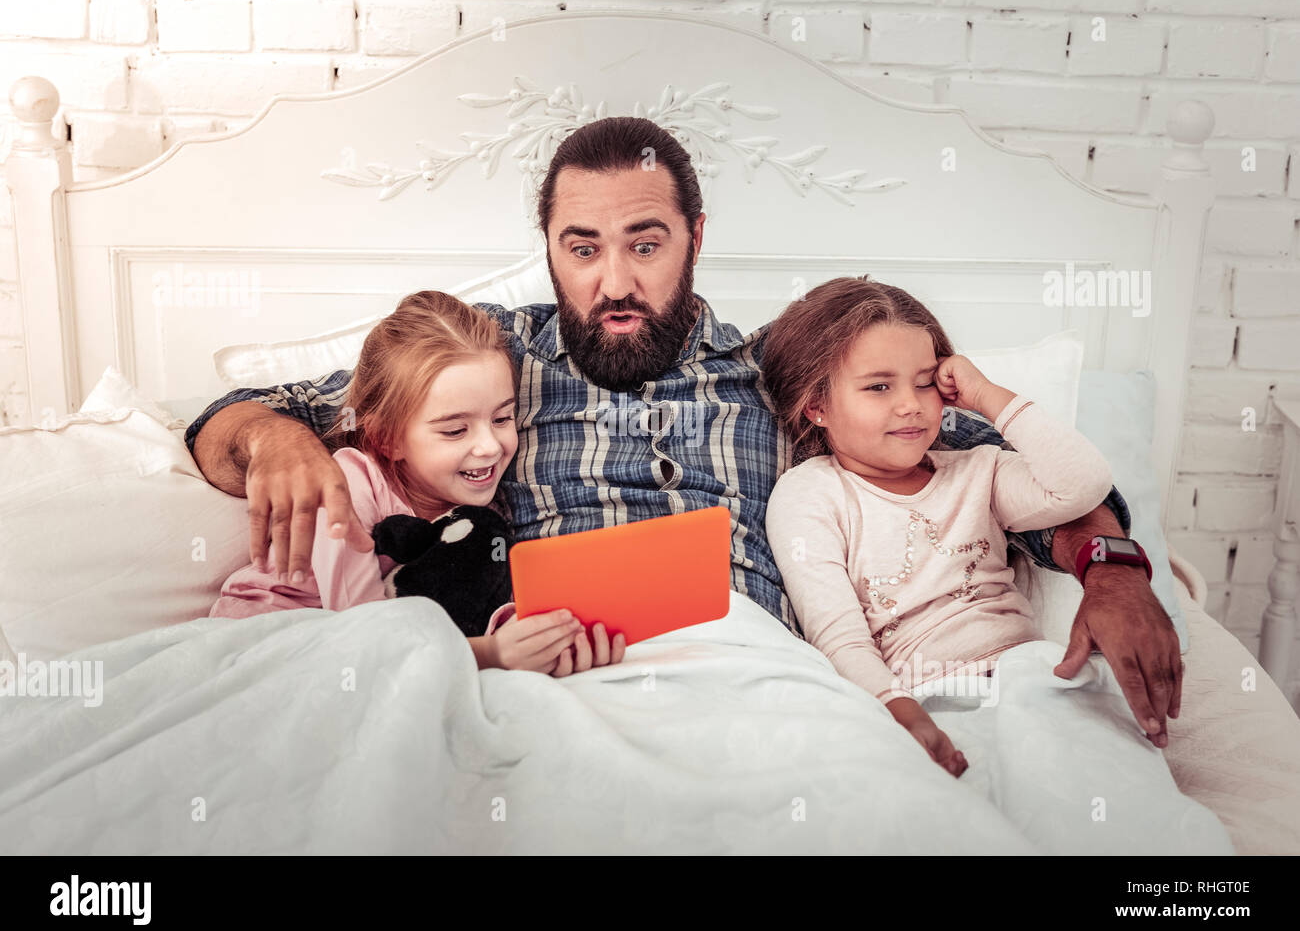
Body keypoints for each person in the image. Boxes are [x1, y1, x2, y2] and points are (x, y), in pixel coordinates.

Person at [185, 116, 1183, 741]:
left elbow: (996, 487)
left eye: (644, 243)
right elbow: (232, 424)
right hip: (550, 685)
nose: (612, 281)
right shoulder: (492, 365)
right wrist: (275, 436)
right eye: (581, 248)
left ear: (694, 240)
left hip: (754, 682)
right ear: (549, 249)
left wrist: (1114, 566)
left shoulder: (784, 378)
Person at [761, 278, 1234, 853]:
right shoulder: (809, 495)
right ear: (816, 406)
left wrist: (989, 397)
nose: (910, 404)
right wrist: (897, 710)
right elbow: (838, 634)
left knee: (1122, 812)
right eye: (878, 386)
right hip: (924, 696)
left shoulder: (979, 470)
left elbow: (1083, 486)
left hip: (1035, 675)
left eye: (924, 382)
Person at [210, 290, 622, 675]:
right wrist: (492, 654)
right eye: (455, 431)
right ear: (386, 439)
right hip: (267, 645)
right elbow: (362, 630)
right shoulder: (348, 485)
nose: (490, 447)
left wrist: (545, 639)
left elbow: (472, 600)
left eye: (502, 418)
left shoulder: (484, 511)